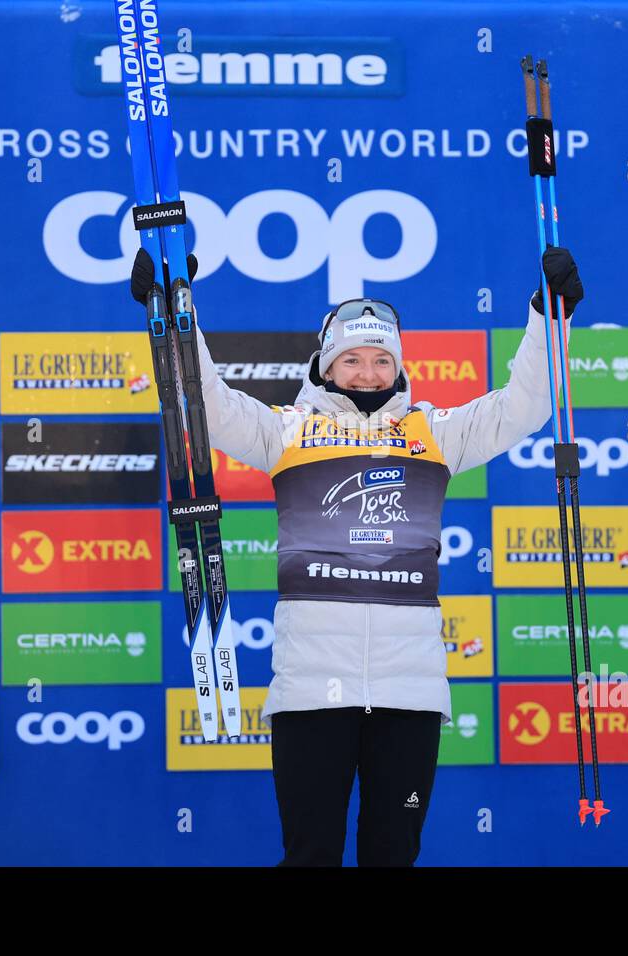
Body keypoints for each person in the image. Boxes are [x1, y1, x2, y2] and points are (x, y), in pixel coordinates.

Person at [132, 244, 584, 865]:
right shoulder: (286, 431)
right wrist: (177, 309)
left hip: (409, 697)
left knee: (392, 854)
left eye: (379, 360)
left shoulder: (434, 433)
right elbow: (203, 401)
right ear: (325, 365)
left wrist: (547, 316)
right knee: (310, 854)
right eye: (352, 359)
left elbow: (524, 407)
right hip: (312, 694)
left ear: (397, 366)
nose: (367, 373)